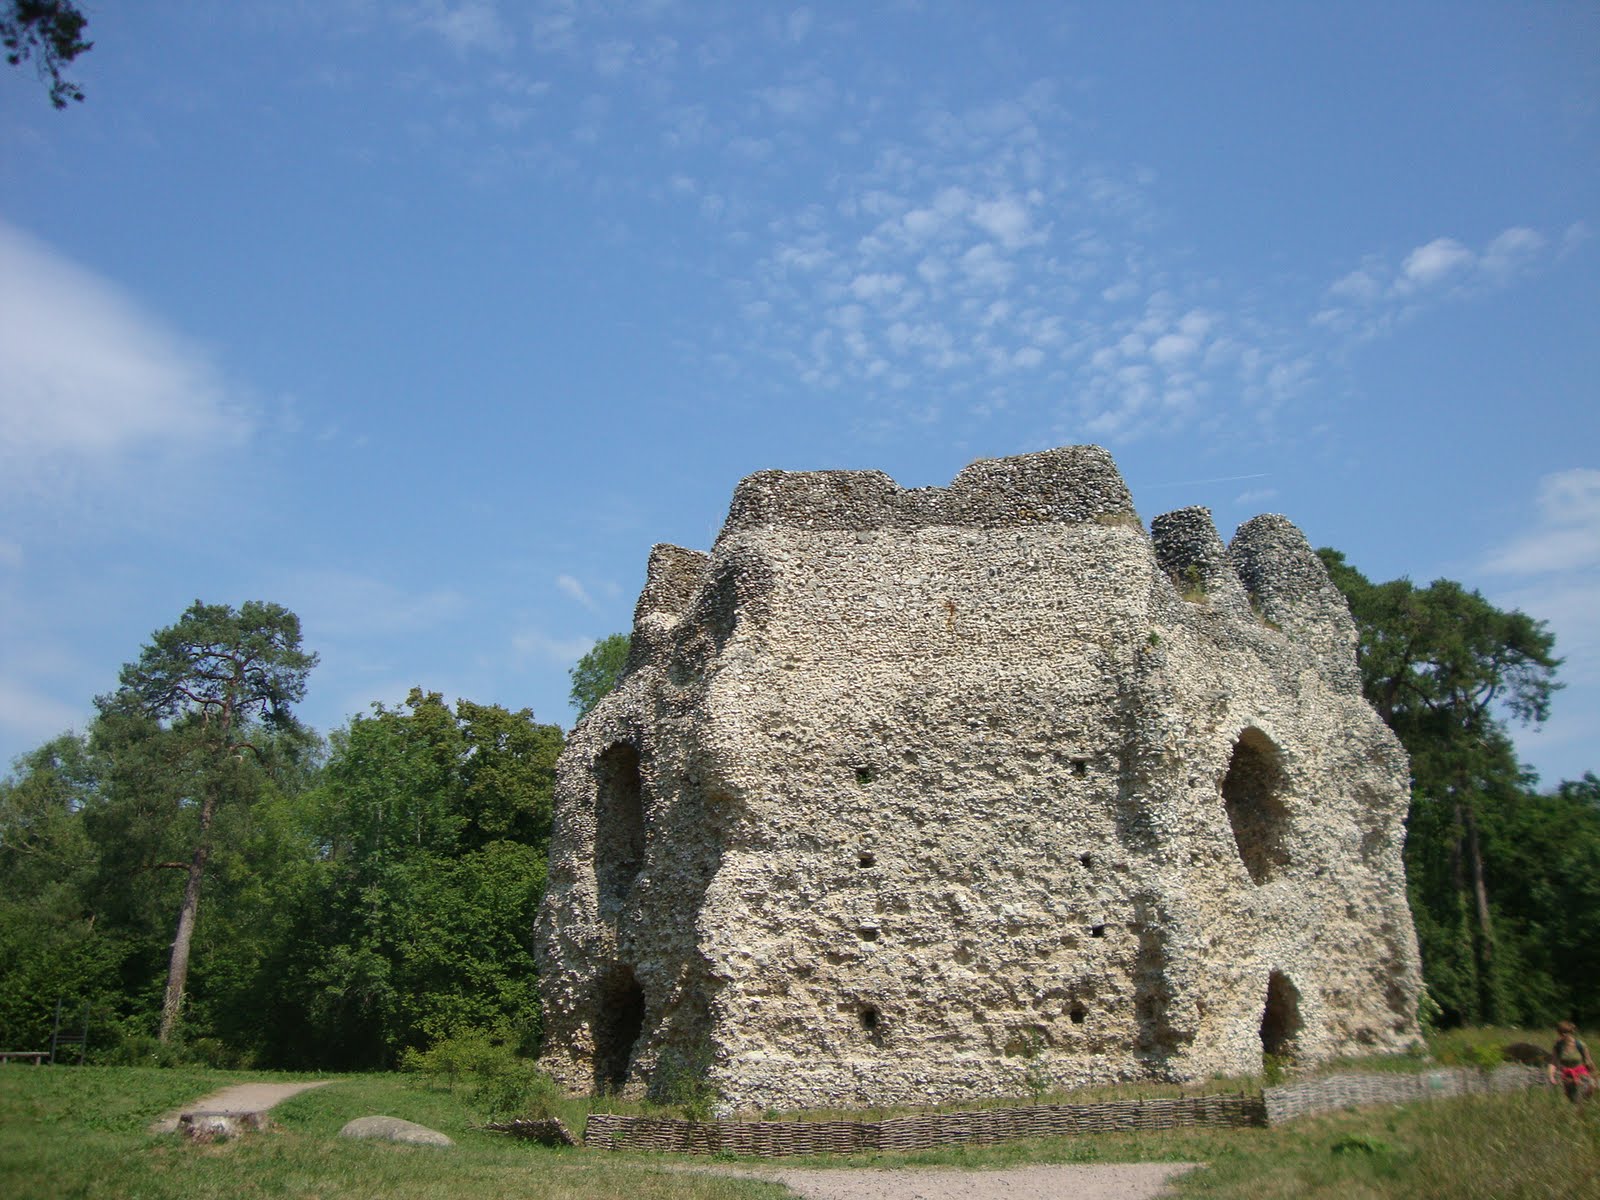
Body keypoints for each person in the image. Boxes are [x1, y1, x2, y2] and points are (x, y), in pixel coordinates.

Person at [1548, 1021, 1597, 1101]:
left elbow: (1588, 1062)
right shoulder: (1558, 1046)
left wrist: (1595, 1075)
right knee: (1573, 1097)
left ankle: (1585, 1102)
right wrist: (1551, 1076)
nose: (1563, 1035)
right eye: (1561, 1033)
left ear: (1571, 1032)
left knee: (1589, 1089)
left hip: (1581, 1072)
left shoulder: (1580, 1045)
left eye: (1565, 1032)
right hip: (1567, 1074)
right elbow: (1553, 1063)